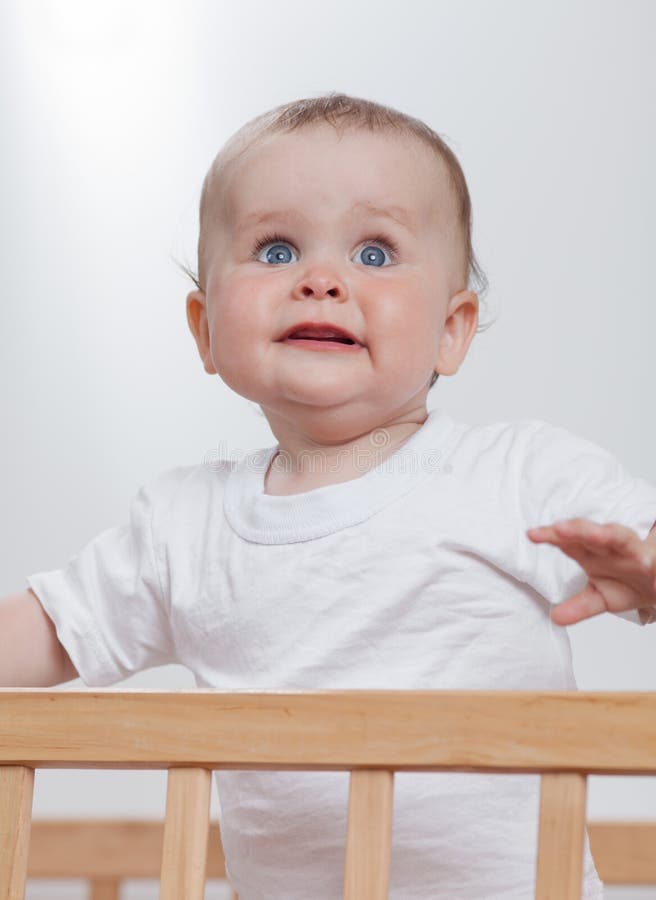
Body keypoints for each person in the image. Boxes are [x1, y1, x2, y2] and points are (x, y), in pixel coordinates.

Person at [2, 92, 656, 899]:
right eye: (275, 250)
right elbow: (49, 631)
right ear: (205, 329)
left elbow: (643, 538)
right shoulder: (181, 528)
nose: (320, 280)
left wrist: (647, 570)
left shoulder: (520, 475)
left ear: (452, 330)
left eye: (375, 253)